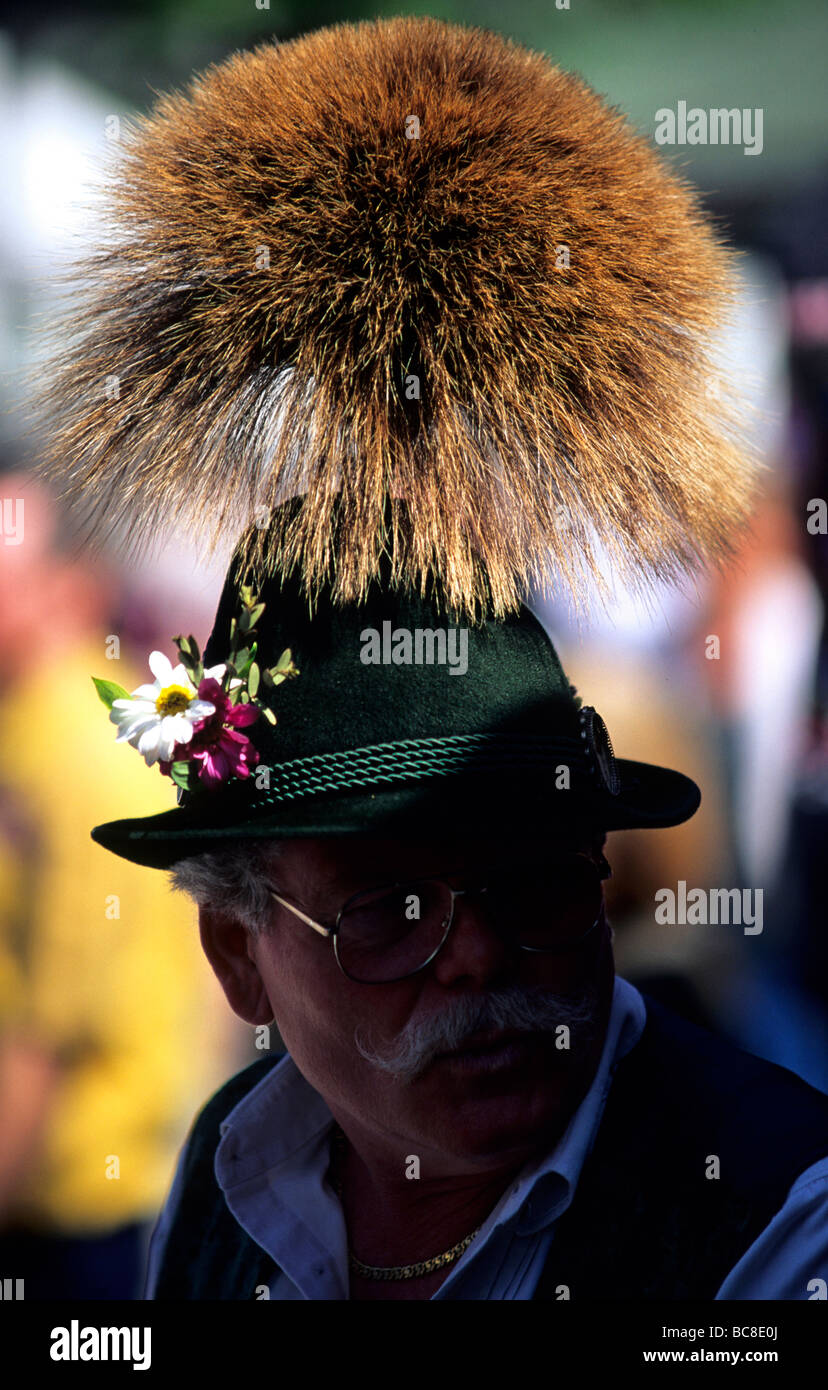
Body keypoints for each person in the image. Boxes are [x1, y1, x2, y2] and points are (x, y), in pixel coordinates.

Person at [32, 17, 826, 1301]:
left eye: (537, 886)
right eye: (388, 911)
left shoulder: (776, 1216)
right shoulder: (227, 1175)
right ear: (240, 958)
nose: (476, 958)